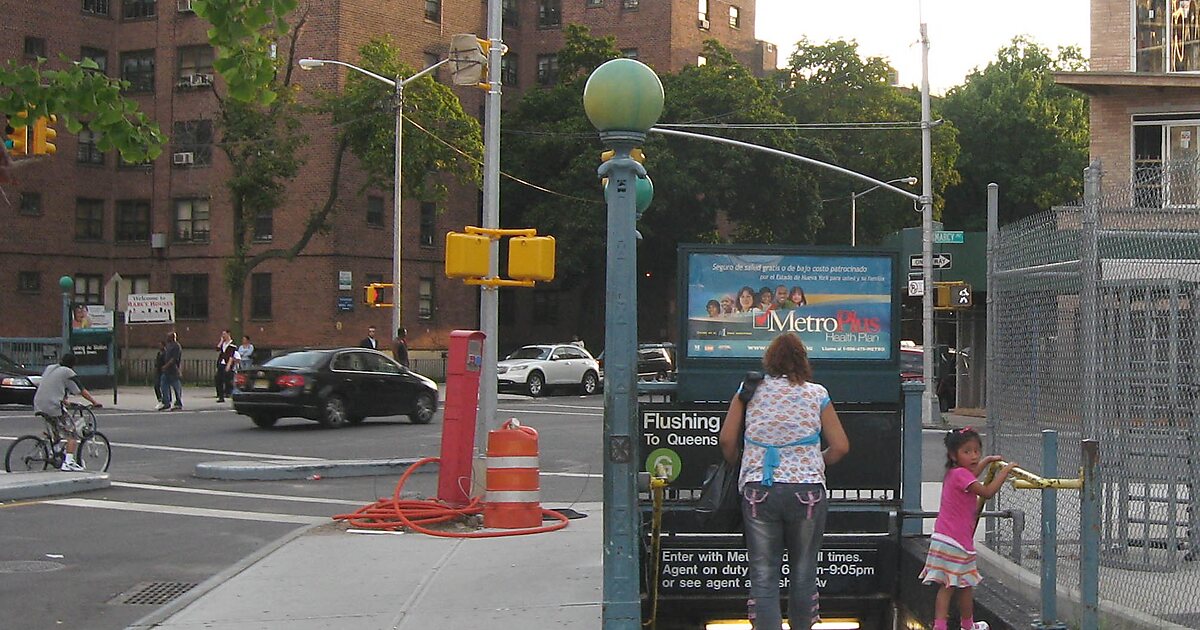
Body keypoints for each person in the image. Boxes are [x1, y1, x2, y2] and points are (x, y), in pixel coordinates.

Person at [718, 333, 850, 630]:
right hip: (808, 492)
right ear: (803, 361)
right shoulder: (817, 394)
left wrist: (741, 463)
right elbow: (840, 446)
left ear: (770, 360)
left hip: (759, 491)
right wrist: (814, 461)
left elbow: (727, 439)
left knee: (764, 573)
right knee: (803, 572)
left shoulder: (749, 390)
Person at [919, 428, 1017, 630]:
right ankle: (956, 625)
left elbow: (972, 473)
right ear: (954, 455)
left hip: (945, 538)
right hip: (956, 542)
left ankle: (955, 625)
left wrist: (988, 461)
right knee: (956, 586)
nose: (973, 456)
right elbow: (987, 492)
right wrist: (1005, 471)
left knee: (957, 586)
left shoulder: (955, 474)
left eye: (976, 451)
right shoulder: (961, 476)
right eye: (967, 451)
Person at [32, 353, 102, 471]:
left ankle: (54, 452)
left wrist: (64, 401)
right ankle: (69, 462)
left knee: (56, 429)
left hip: (39, 403)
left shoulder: (50, 368)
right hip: (53, 406)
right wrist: (94, 402)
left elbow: (52, 386)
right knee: (72, 433)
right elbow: (81, 390)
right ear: (73, 365)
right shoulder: (68, 372)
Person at [158, 331, 183, 411]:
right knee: (163, 385)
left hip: (173, 370)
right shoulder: (168, 346)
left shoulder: (176, 346)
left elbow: (174, 359)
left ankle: (178, 403)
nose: (167, 338)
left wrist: (166, 366)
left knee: (176, 387)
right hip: (167, 371)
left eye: (168, 337)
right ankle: (166, 402)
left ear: (172, 337)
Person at [215, 330, 236, 402]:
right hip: (221, 363)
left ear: (228, 334)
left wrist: (229, 365)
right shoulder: (223, 343)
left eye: (224, 334)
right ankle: (221, 396)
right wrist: (221, 341)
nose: (223, 335)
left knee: (227, 380)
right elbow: (217, 349)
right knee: (218, 379)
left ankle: (228, 393)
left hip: (227, 364)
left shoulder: (232, 344)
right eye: (222, 334)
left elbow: (231, 356)